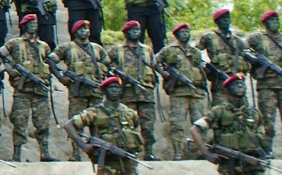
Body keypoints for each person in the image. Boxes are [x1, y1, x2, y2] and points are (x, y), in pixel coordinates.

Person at [0, 13, 56, 162]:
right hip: (22, 90)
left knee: (42, 123)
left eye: (35, 24)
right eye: (31, 23)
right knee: (19, 122)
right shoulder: (15, 43)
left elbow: (50, 63)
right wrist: (9, 69)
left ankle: (45, 153)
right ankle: (16, 154)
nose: (34, 26)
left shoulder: (43, 46)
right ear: (24, 25)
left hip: (40, 90)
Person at [246, 9, 282, 159]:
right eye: (271, 21)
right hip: (267, 86)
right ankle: (266, 150)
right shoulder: (257, 38)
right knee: (267, 120)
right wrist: (254, 60)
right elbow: (240, 47)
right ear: (265, 24)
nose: (275, 23)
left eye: (277, 20)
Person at [52, 21, 107, 158]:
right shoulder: (67, 47)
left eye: (87, 28)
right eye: (81, 29)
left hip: (95, 92)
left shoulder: (97, 49)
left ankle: (98, 151)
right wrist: (61, 77)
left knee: (97, 124)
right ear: (75, 32)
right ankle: (75, 154)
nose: (85, 31)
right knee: (76, 124)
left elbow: (108, 66)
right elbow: (51, 60)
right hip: (78, 93)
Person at [109, 19, 162, 160]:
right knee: (127, 125)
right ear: (126, 33)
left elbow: (154, 67)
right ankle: (128, 152)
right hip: (127, 93)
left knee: (148, 126)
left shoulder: (147, 50)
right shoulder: (117, 50)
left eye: (137, 30)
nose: (135, 32)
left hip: (146, 93)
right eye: (132, 30)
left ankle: (149, 152)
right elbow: (106, 68)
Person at [155, 21, 208, 158]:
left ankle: (201, 152)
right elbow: (154, 61)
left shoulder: (195, 51)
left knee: (200, 123)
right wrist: (163, 73)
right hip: (178, 93)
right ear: (177, 34)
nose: (186, 34)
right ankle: (178, 152)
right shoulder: (169, 50)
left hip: (196, 92)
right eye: (182, 32)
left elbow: (200, 67)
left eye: (187, 31)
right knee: (177, 124)